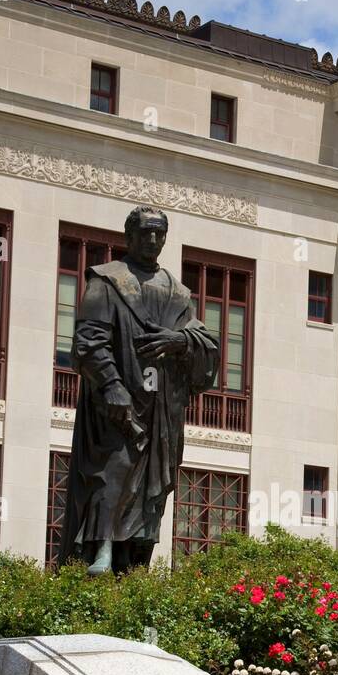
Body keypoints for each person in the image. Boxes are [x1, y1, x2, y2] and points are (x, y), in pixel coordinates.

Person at [58, 206, 218, 574]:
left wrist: (180, 340)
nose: (152, 239)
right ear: (129, 236)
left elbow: (205, 342)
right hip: (116, 403)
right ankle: (101, 547)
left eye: (159, 233)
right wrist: (112, 386)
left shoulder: (177, 293)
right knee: (112, 469)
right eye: (145, 232)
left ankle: (133, 558)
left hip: (162, 408)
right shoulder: (107, 281)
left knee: (151, 482)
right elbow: (89, 341)